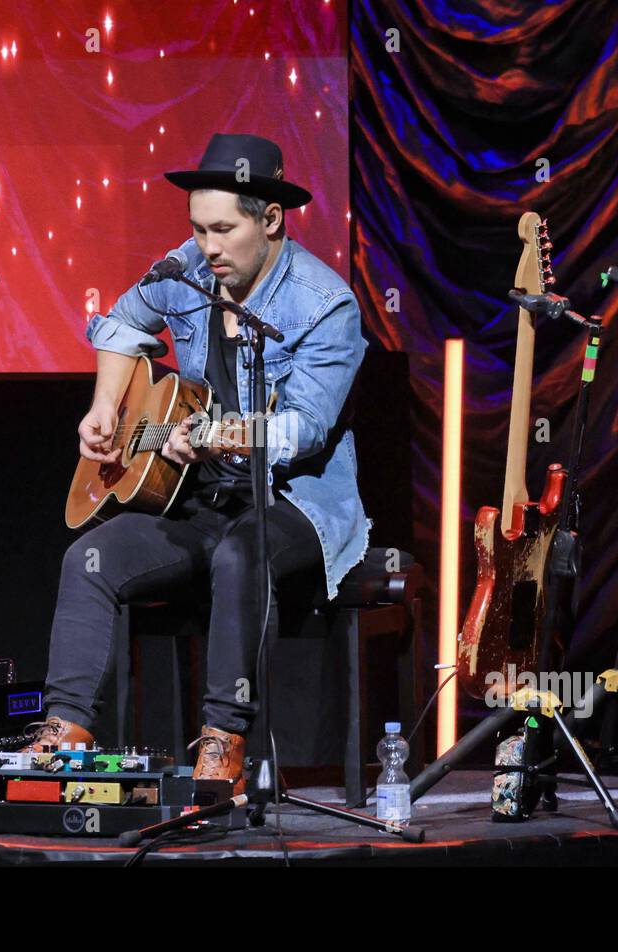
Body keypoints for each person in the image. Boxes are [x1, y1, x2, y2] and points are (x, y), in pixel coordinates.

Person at [30, 133, 371, 796]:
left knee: (239, 555)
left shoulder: (325, 304)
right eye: (197, 228)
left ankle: (223, 744)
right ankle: (63, 738)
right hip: (201, 503)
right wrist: (105, 408)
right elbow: (120, 325)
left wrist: (221, 433)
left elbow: (304, 427)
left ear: (270, 220)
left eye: (223, 229)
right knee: (89, 559)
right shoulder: (185, 268)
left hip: (296, 505)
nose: (207, 246)